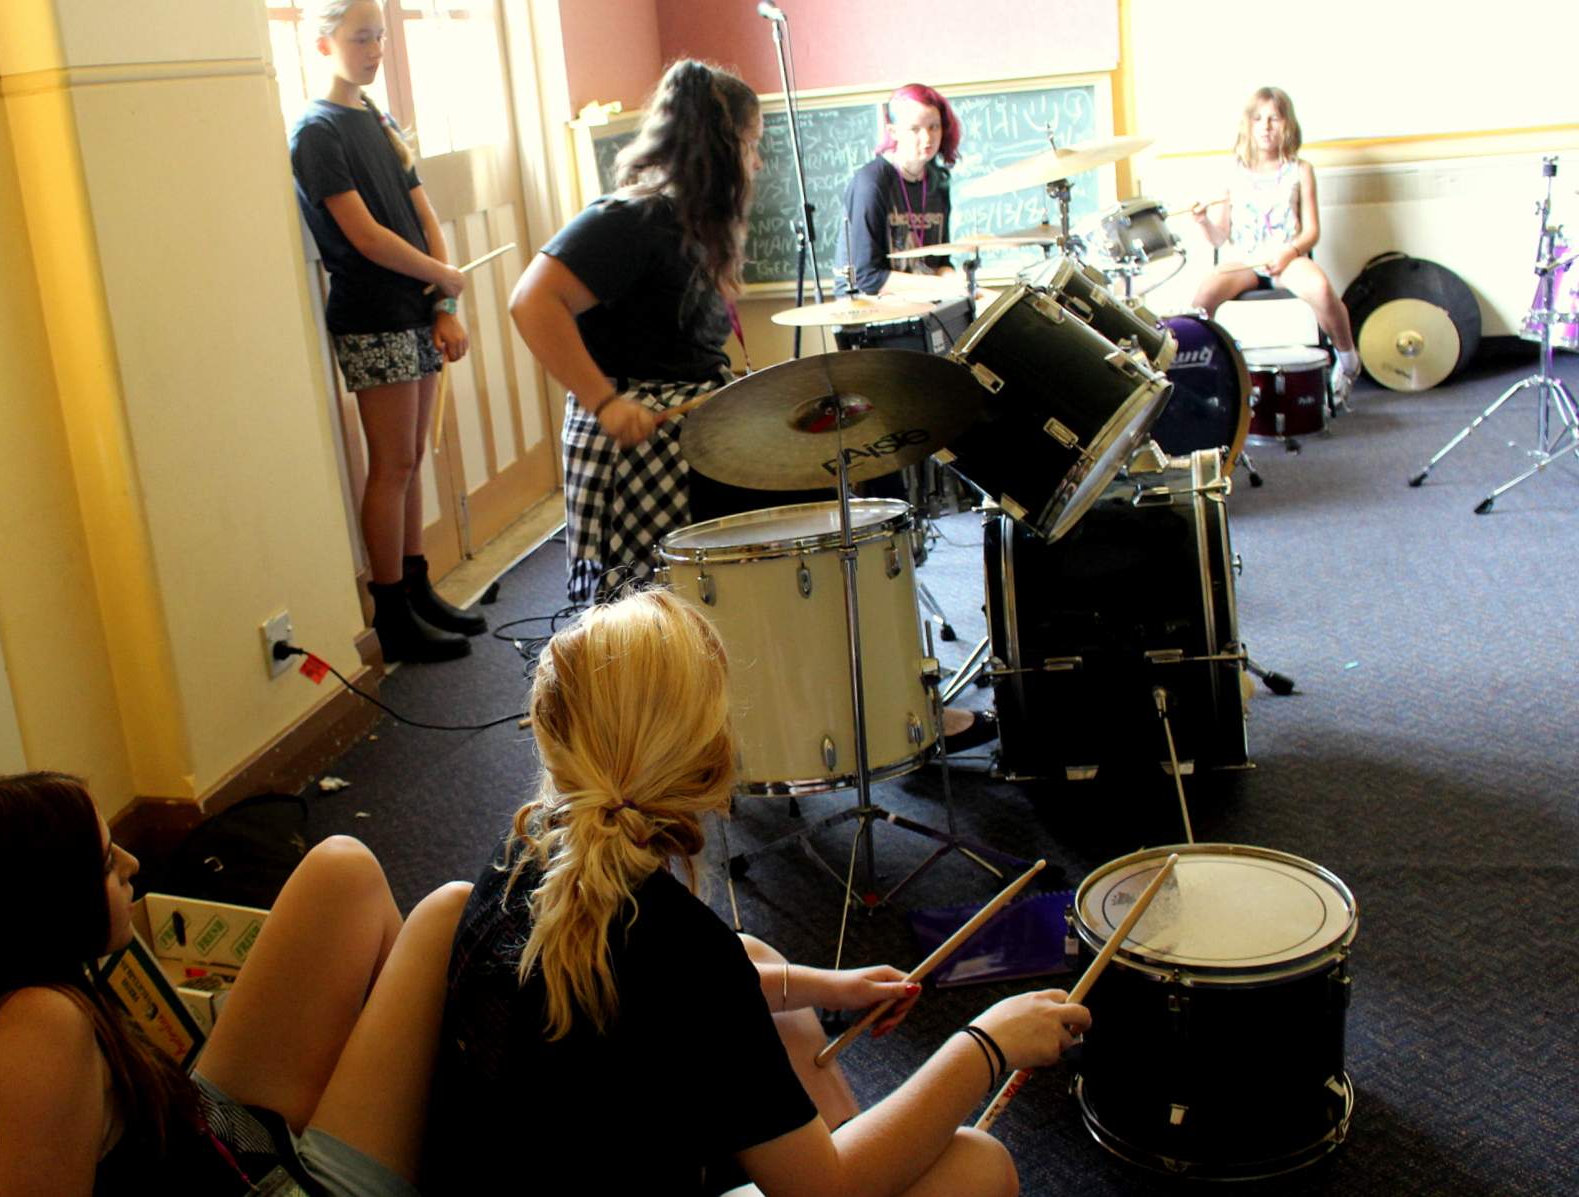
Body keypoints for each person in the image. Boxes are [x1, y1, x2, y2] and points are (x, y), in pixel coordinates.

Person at [424, 589, 1089, 1195]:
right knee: (977, 1163)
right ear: (713, 760)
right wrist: (986, 1043)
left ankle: (849, 1145)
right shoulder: (683, 949)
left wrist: (832, 987)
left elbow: (684, 996)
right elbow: (819, 1189)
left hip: (510, 1165)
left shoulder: (524, 850)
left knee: (761, 964)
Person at [0, 771, 469, 1195]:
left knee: (344, 867)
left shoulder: (15, 991)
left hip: (210, 1138)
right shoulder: (42, 1028)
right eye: (107, 862)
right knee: (448, 912)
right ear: (46, 902)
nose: (132, 864)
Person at [510, 60, 765, 604]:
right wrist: (604, 402)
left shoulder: (690, 224)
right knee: (641, 617)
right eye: (749, 144)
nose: (756, 161)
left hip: (675, 442)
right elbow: (532, 301)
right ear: (721, 149)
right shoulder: (631, 218)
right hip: (632, 451)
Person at [290, 0, 487, 664]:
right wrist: (444, 276)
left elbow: (421, 212)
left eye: (380, 36)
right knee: (393, 464)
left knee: (411, 462)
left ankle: (418, 585)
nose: (375, 49)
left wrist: (442, 301)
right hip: (371, 311)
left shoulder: (379, 118)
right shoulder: (316, 132)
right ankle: (392, 611)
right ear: (324, 45)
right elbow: (365, 236)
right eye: (361, 38)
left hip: (413, 306)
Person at [1189, 86, 1362, 404]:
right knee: (1200, 301)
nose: (1266, 127)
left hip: (1287, 256)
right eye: (1258, 119)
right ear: (1248, 125)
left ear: (1287, 124)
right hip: (1244, 259)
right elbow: (1219, 236)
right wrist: (1202, 222)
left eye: (1274, 119)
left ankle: (1349, 360)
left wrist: (1290, 252)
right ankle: (1209, 376)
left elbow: (1311, 231)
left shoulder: (1300, 169)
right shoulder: (1232, 171)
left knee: (1322, 291)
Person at [835, 84, 962, 297]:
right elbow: (867, 276)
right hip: (871, 315)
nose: (927, 138)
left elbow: (940, 263)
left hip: (920, 306)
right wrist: (936, 285)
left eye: (934, 127)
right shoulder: (871, 183)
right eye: (915, 129)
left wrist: (959, 283)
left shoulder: (937, 183)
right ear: (893, 132)